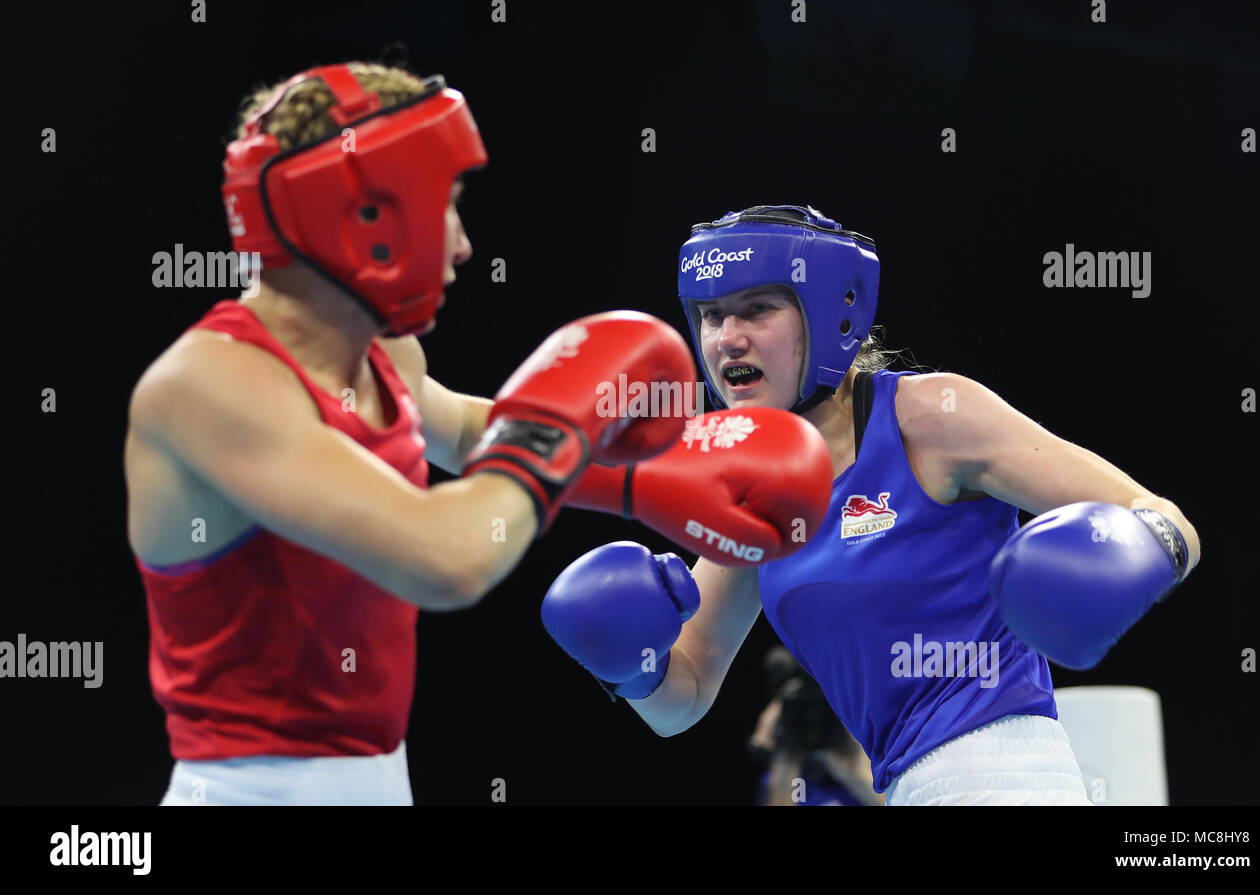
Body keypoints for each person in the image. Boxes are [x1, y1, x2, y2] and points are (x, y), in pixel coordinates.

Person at [126, 63, 822, 805]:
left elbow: (462, 431)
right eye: (446, 204)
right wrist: (565, 421)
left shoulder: (382, 356)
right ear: (364, 213)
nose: (462, 245)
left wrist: (644, 479)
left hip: (380, 777)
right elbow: (444, 556)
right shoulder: (210, 387)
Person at [542, 205, 1201, 806]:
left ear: (835, 311)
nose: (727, 338)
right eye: (712, 315)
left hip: (1014, 778)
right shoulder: (752, 499)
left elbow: (1165, 517)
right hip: (904, 789)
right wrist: (626, 656)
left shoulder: (930, 417)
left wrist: (1126, 555)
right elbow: (681, 697)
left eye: (757, 308)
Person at [749, 647, 884, 806]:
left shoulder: (862, 767)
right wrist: (779, 741)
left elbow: (885, 802)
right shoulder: (782, 778)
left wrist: (851, 758)